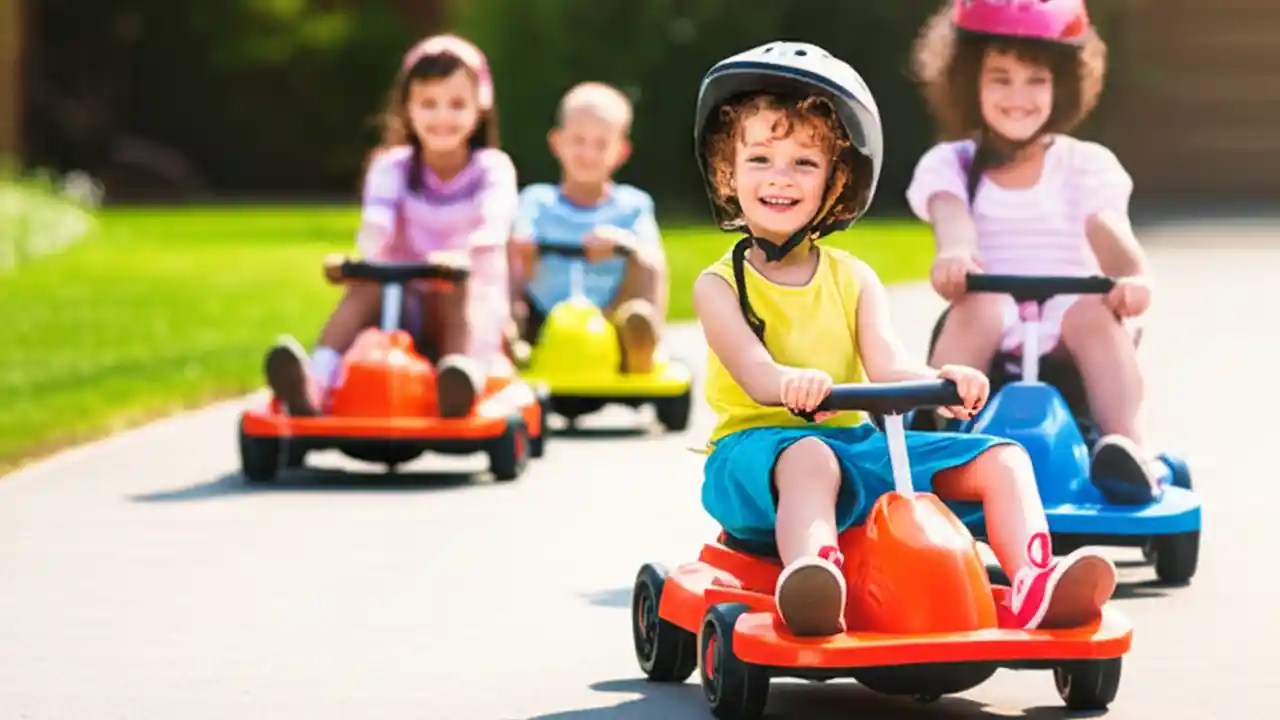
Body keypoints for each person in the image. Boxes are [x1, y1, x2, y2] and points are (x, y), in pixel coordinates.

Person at [691, 40, 1117, 637]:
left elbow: (888, 365)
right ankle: (815, 577)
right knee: (810, 454)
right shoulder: (719, 286)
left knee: (1004, 456)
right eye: (760, 159)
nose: (780, 179)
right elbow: (758, 376)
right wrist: (794, 383)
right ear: (726, 173)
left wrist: (939, 383)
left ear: (835, 182)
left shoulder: (852, 278)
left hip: (854, 447)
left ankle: (1034, 581)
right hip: (755, 458)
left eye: (804, 164)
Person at [907, 0, 1158, 503]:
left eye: (1035, 80)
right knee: (978, 304)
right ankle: (930, 436)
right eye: (1000, 78)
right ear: (967, 81)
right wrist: (954, 254)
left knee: (1093, 312)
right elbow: (951, 219)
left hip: (1069, 319)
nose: (1017, 96)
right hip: (992, 317)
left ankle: (1124, 448)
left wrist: (1130, 275)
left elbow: (1107, 226)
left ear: (1062, 85)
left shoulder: (1083, 164)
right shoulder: (952, 164)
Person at [264, 34, 517, 418]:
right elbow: (376, 224)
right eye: (428, 104)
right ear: (408, 109)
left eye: (456, 104)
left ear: (479, 107)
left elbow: (493, 227)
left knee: (454, 288)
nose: (442, 117)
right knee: (366, 288)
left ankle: (459, 379)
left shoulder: (492, 169)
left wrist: (458, 257)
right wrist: (358, 261)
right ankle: (314, 383)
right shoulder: (391, 166)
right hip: (405, 297)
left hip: (468, 301)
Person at [507, 82, 668, 374]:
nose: (588, 153)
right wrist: (525, 242)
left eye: (601, 144)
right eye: (578, 141)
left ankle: (638, 347)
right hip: (543, 316)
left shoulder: (633, 205)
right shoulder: (537, 199)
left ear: (621, 152)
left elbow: (648, 251)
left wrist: (622, 242)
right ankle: (512, 340)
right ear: (558, 143)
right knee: (507, 257)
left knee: (648, 262)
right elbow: (521, 231)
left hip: (609, 314)